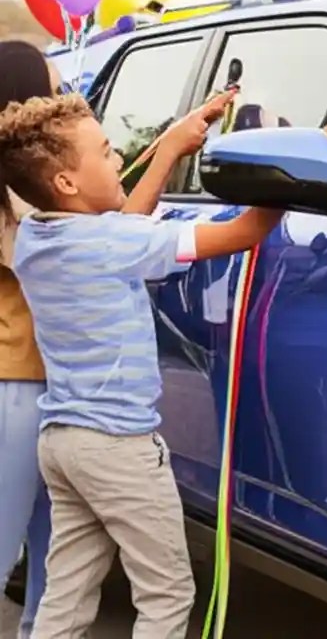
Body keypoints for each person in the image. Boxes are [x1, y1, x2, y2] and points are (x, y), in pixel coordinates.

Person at [0, 91, 284, 637]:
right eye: (107, 154)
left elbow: (124, 222)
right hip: (118, 447)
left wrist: (170, 148)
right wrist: (296, 168)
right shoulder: (113, 242)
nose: (117, 161)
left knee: (68, 589)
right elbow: (245, 232)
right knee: (167, 589)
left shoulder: (37, 237)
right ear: (66, 183)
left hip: (64, 441)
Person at [0, 40, 64, 639]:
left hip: (57, 388)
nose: (65, 96)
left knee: (56, 562)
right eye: (54, 84)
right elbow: (41, 256)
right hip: (13, 388)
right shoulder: (15, 193)